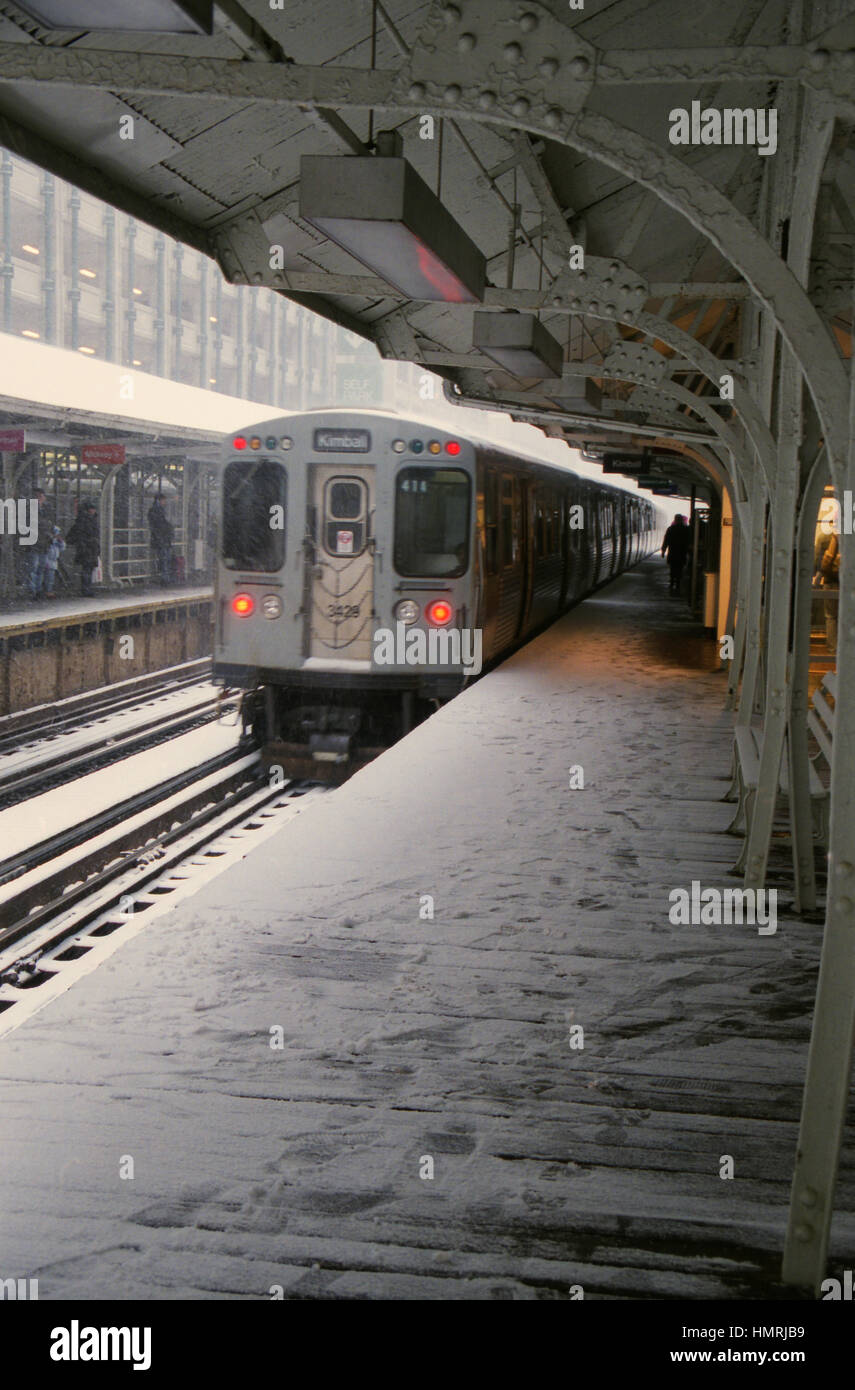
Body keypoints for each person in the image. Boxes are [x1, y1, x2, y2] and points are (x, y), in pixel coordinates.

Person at [65, 502, 100, 597]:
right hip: (89, 548)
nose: (93, 511)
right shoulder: (90, 520)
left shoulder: (83, 520)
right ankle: (86, 589)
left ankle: (86, 588)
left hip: (88, 548)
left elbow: (75, 534)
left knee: (88, 569)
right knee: (88, 569)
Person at [815, 526, 839, 654]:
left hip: (831, 580)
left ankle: (833, 647)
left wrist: (819, 575)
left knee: (831, 616)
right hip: (848, 581)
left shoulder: (828, 537)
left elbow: (824, 559)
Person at [28, 487, 53, 599]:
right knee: (33, 568)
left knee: (41, 568)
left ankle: (37, 590)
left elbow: (49, 525)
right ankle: (32, 591)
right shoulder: (29, 510)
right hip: (33, 543)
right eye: (36, 496)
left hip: (43, 543)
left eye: (40, 496)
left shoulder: (47, 510)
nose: (38, 499)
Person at [661, 513, 691, 594]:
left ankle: (672, 583)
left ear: (675, 519)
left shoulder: (671, 529)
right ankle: (677, 584)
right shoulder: (686, 529)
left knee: (672, 569)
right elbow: (689, 541)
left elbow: (666, 540)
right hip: (682, 553)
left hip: (673, 553)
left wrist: (663, 551)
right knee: (680, 569)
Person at [148, 496, 173, 586]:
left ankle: (164, 577)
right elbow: (162, 524)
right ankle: (165, 578)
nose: (164, 502)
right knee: (165, 559)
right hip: (162, 539)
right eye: (163, 500)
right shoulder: (159, 511)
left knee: (163, 559)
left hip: (161, 539)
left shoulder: (154, 511)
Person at [43, 526, 65, 597]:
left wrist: (61, 541)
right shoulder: (48, 540)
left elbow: (62, 548)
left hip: (54, 561)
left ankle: (49, 590)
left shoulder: (57, 541)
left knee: (51, 578)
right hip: (48, 560)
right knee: (48, 577)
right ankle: (47, 591)